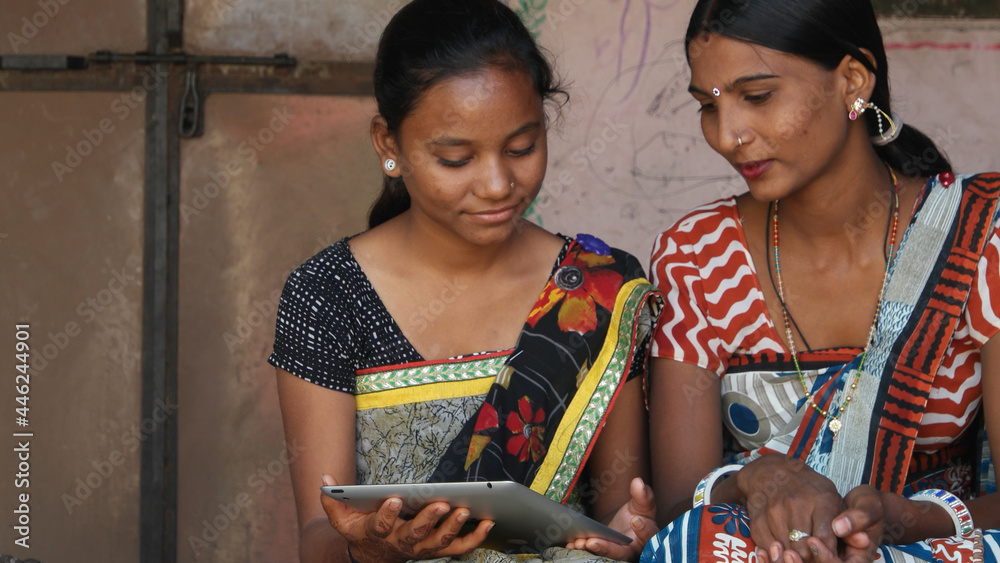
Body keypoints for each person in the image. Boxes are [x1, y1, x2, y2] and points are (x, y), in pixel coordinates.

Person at [268, 1, 663, 562]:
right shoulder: (328, 295)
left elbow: (616, 511)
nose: (498, 183)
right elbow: (319, 536)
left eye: (521, 147)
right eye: (456, 158)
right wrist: (374, 549)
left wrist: (628, 532)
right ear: (389, 145)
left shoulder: (599, 292)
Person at [641, 0, 999, 562]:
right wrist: (758, 478)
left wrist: (903, 520)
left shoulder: (980, 239)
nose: (728, 134)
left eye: (756, 96)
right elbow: (676, 511)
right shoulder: (698, 256)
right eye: (708, 106)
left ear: (852, 81)